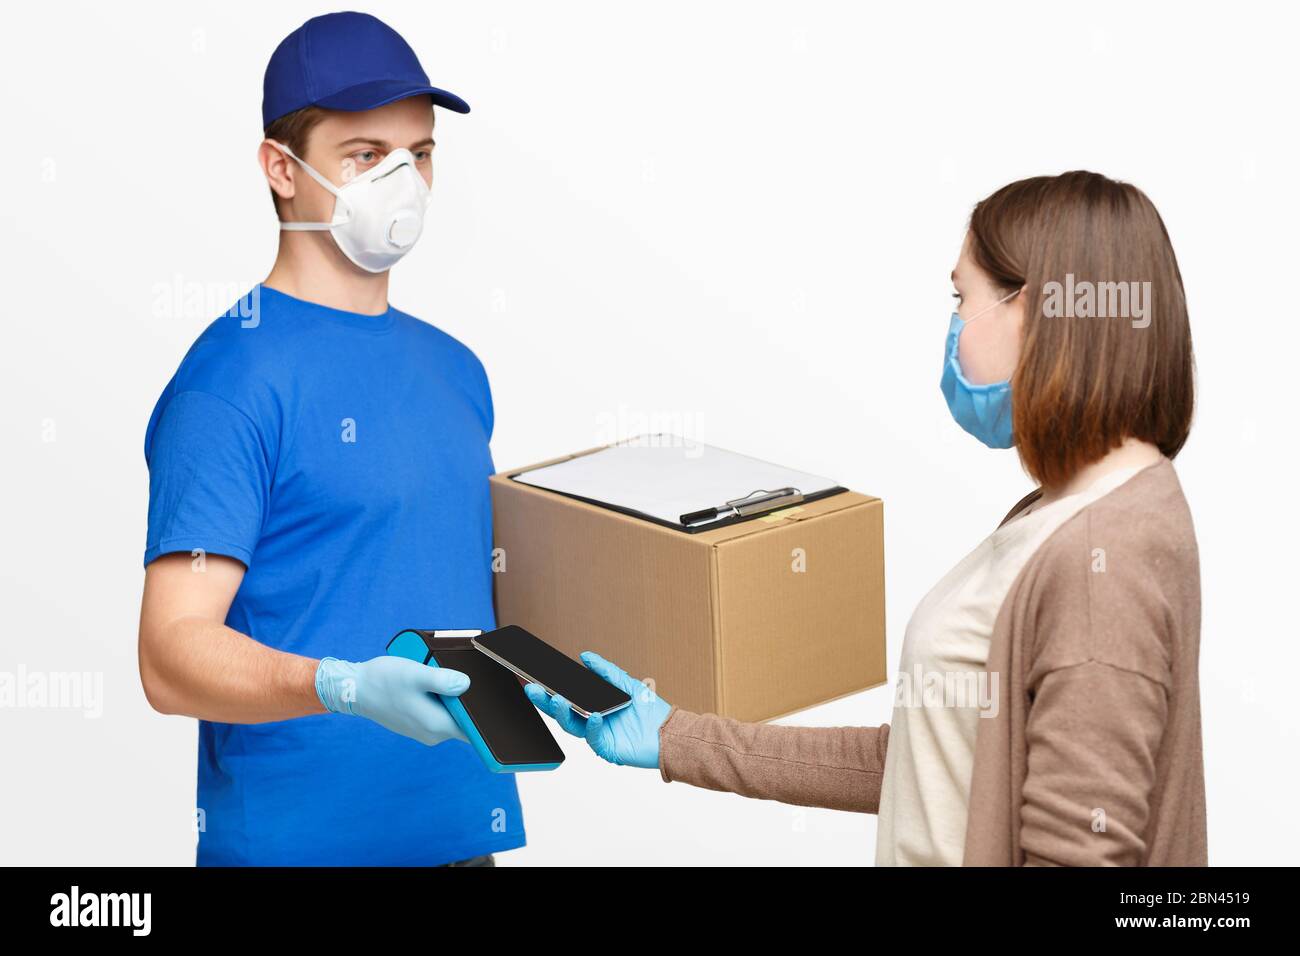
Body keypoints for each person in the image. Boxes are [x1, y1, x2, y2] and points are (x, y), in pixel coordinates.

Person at [527, 171, 1206, 866]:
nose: (953, 325)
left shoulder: (1104, 553)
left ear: (1030, 309)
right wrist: (676, 735)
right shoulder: (1068, 512)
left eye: (959, 297)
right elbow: (929, 761)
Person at [138, 13, 522, 866]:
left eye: (418, 154)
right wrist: (338, 686)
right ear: (282, 168)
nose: (404, 181)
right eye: (366, 155)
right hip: (299, 849)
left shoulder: (456, 370)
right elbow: (169, 656)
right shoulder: (230, 381)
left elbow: (454, 584)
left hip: (463, 835)